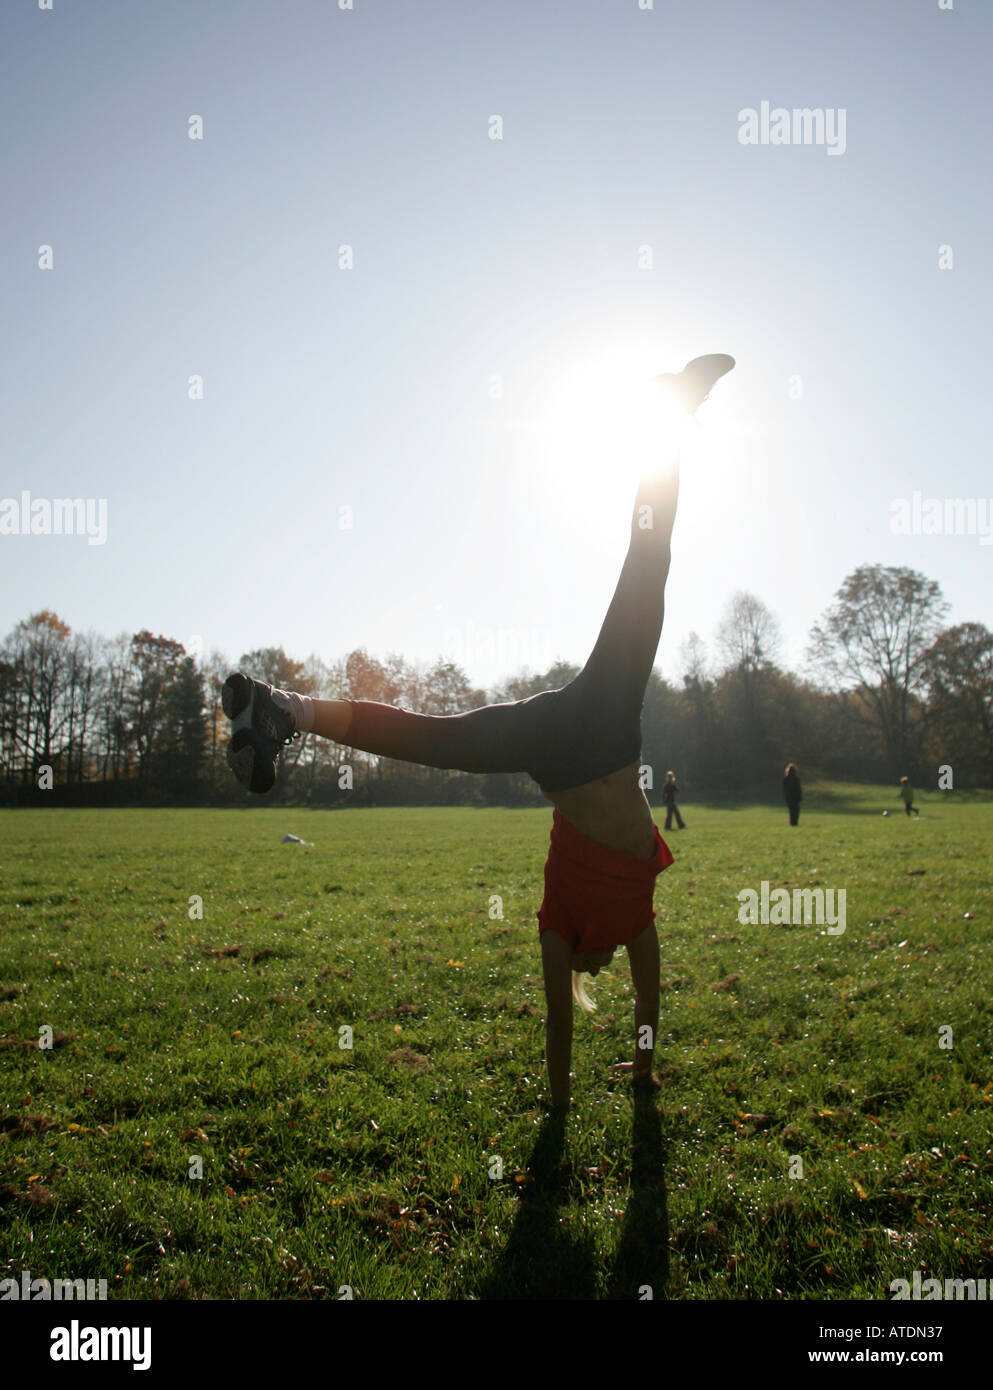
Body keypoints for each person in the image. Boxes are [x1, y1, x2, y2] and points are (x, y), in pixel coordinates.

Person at [223, 353, 735, 1111]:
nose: (594, 968)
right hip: (577, 736)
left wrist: (572, 1101)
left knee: (636, 576)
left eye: (590, 969)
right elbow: (617, 1016)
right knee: (635, 577)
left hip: (571, 737)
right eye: (596, 970)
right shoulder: (610, 924)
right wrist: (637, 1069)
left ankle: (283, 707)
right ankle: (668, 418)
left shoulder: (597, 921)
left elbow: (582, 1022)